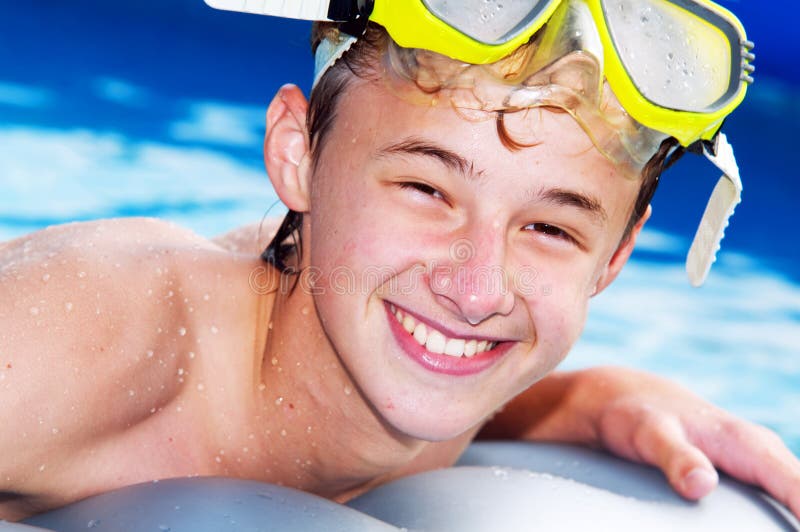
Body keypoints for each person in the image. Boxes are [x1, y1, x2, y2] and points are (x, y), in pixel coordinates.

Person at [1, 0, 798, 522]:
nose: (478, 288)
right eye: (424, 188)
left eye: (550, 230)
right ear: (296, 156)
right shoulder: (92, 342)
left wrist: (580, 399)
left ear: (616, 256)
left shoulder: (419, 347)